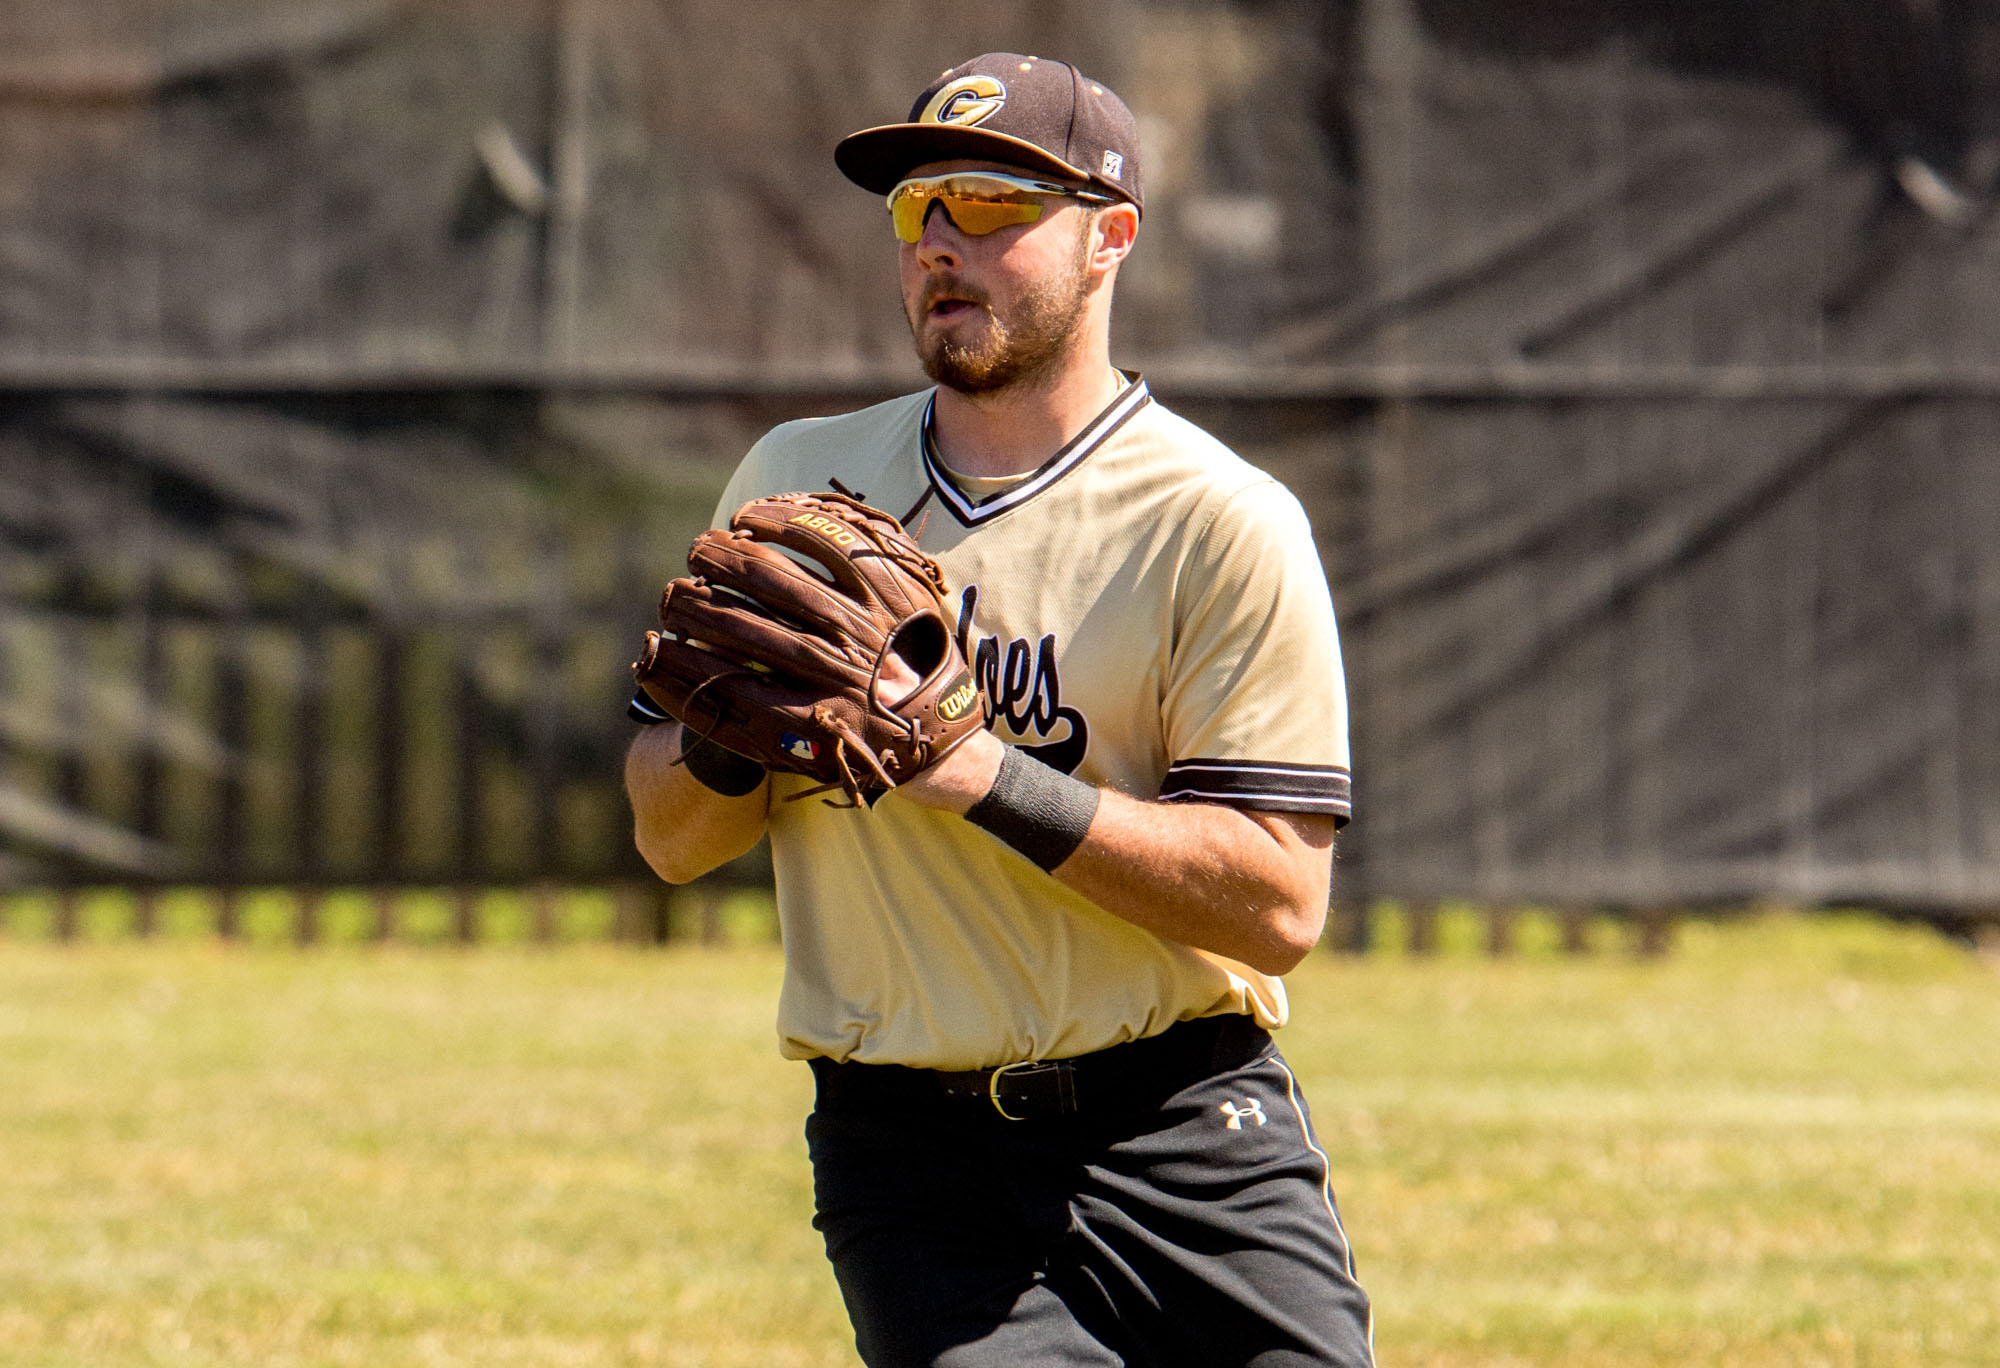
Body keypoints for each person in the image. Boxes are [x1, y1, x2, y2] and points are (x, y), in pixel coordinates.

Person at [625, 52, 1373, 1368]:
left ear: (1110, 240)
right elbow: (668, 838)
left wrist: (976, 773)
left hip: (1191, 1138)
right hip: (911, 1161)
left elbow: (1277, 904)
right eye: (920, 211)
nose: (942, 247)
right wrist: (730, 738)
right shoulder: (802, 486)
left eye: (989, 206)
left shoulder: (1219, 523)